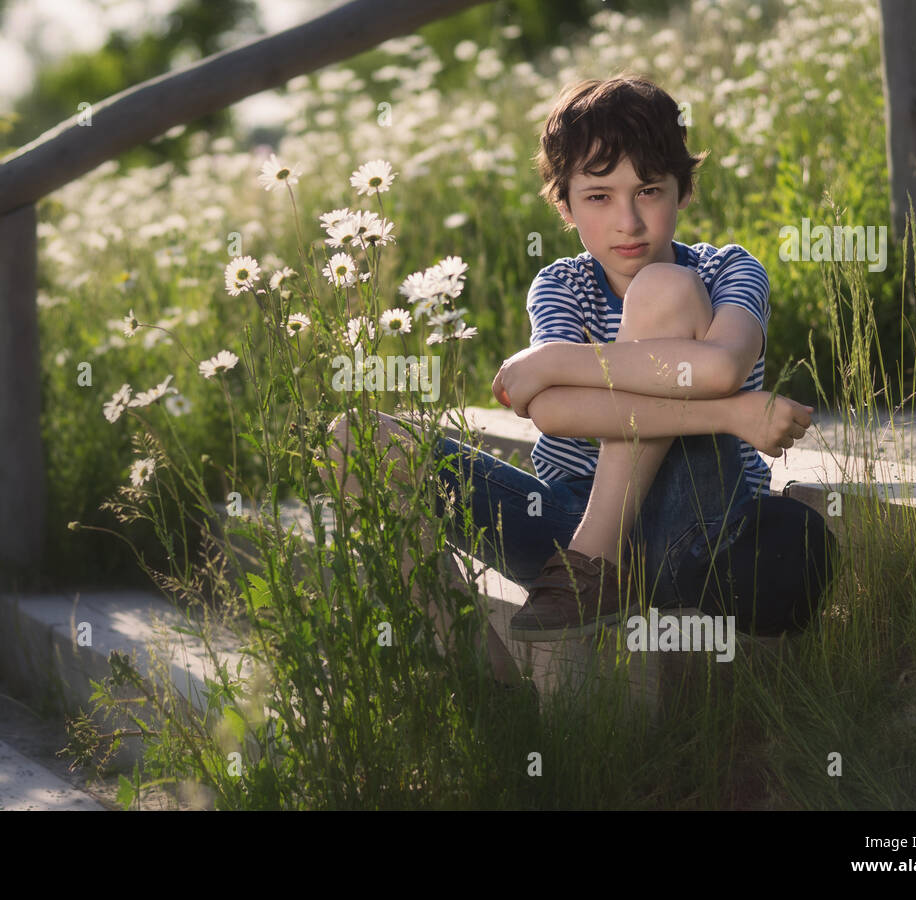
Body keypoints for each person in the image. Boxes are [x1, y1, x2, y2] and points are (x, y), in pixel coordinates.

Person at [326, 72, 815, 687]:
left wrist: (556, 363)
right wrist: (728, 413)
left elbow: (718, 367)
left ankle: (596, 564)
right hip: (566, 524)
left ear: (684, 190)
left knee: (662, 290)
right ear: (564, 204)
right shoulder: (561, 285)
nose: (628, 222)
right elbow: (554, 416)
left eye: (649, 191)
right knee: (354, 439)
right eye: (599, 197)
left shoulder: (726, 270)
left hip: (693, 529)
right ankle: (486, 689)